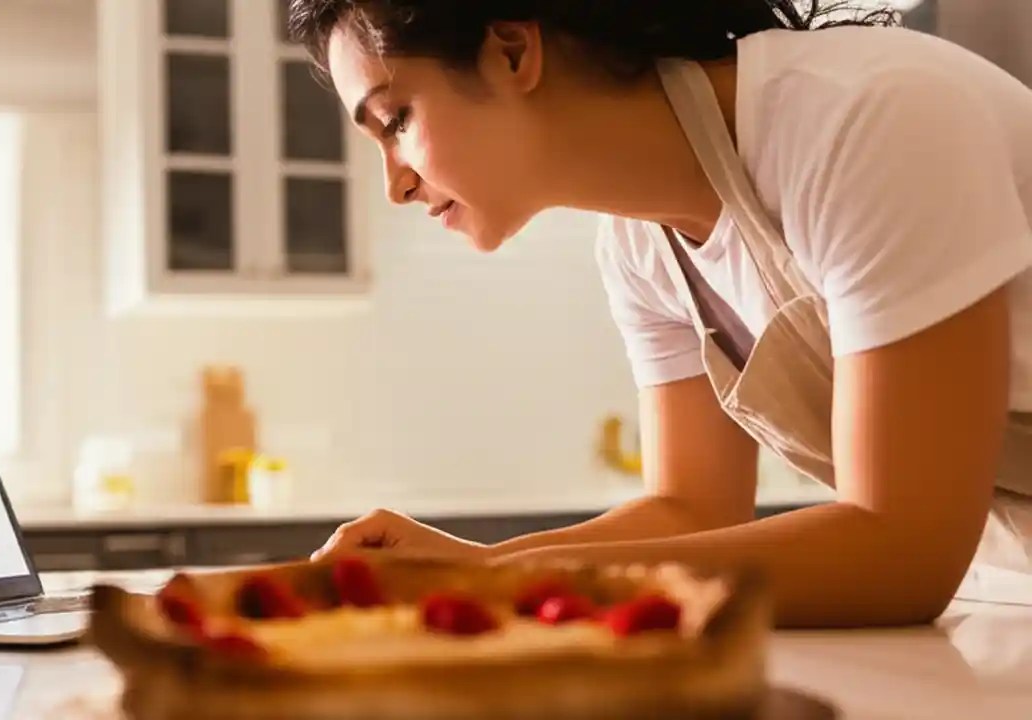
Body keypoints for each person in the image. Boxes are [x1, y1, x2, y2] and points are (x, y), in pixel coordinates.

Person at [291, 0, 1032, 627]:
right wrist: (481, 565)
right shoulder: (641, 250)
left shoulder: (867, 123)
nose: (395, 183)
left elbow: (903, 549)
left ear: (512, 52)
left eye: (395, 120)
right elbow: (692, 509)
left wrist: (518, 582)